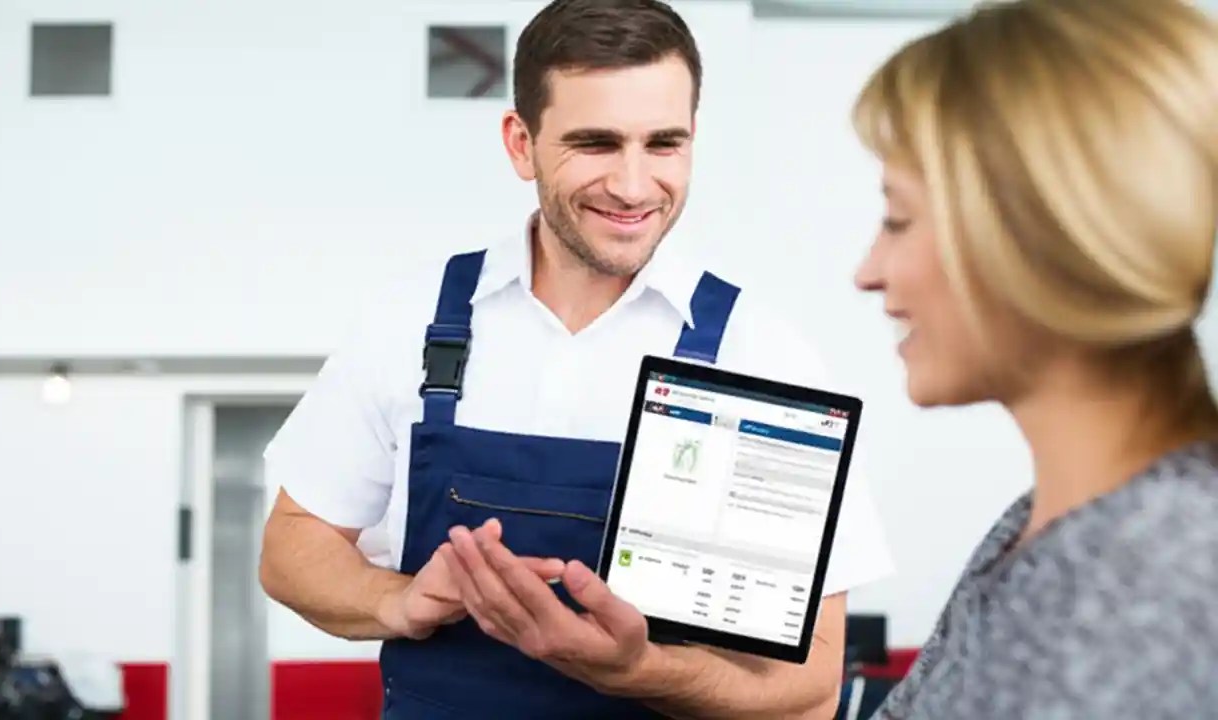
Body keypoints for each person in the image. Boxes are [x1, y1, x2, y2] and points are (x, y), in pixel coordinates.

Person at [258, 0, 893, 718]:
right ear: (520, 142)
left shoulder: (762, 356)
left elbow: (810, 687)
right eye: (595, 143)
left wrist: (640, 670)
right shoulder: (410, 323)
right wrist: (401, 599)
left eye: (663, 143)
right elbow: (291, 548)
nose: (631, 185)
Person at [849, 0, 1218, 717]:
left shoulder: (1163, 575)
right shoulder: (1041, 527)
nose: (868, 270)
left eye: (898, 219)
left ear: (1030, 238)